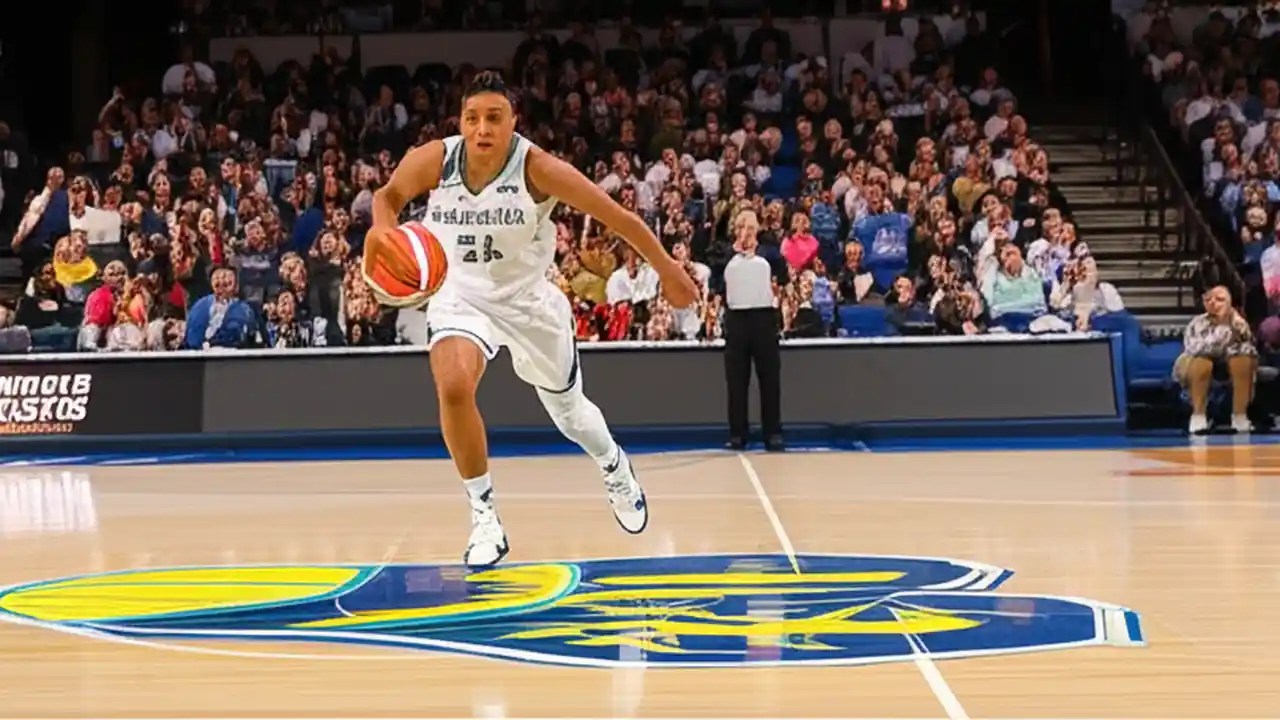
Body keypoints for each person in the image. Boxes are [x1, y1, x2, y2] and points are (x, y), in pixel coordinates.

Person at [366, 72, 698, 568]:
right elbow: (388, 196)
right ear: (460, 122)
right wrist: (382, 230)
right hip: (460, 294)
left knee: (571, 416)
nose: (482, 128)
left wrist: (668, 270)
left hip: (527, 302)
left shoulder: (538, 168)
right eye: (472, 118)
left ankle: (612, 463)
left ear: (513, 121)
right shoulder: (436, 159)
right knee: (453, 385)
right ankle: (484, 516)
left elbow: (618, 218)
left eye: (494, 118)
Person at [722, 209, 784, 452]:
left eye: (749, 227)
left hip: (763, 318)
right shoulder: (725, 255)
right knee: (737, 380)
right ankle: (738, 433)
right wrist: (735, 252)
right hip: (736, 319)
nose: (745, 232)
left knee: (769, 379)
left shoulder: (769, 252)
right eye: (740, 227)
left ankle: (773, 432)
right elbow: (718, 280)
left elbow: (782, 276)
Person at [1173, 284, 1259, 435]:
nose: (1213, 303)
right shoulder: (1197, 323)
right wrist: (1224, 337)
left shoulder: (1238, 323)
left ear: (1229, 303)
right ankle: (1198, 416)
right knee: (1201, 363)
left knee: (1243, 361)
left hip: (1225, 360)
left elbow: (1247, 349)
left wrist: (1233, 331)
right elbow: (1196, 349)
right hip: (1195, 359)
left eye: (1219, 299)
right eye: (1208, 300)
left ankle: (1240, 415)